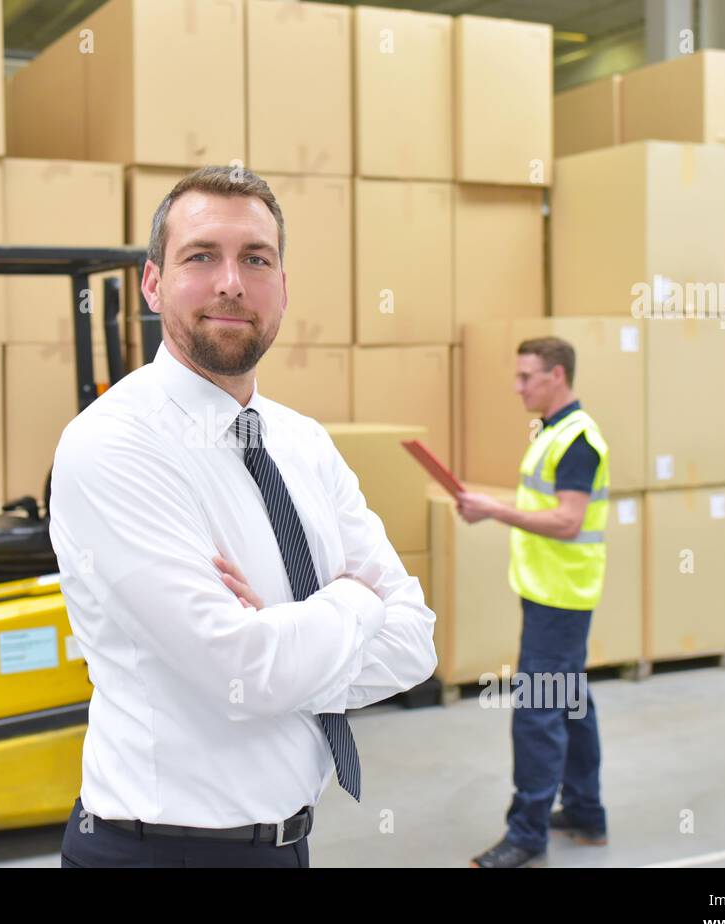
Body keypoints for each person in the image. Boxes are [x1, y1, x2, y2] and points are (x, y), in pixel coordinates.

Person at [49, 165, 437, 868]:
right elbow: (243, 673)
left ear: (282, 287)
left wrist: (283, 641)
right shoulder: (112, 445)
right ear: (153, 282)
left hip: (289, 844)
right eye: (201, 256)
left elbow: (415, 641)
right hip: (156, 853)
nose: (232, 281)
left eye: (256, 259)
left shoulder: (302, 442)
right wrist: (351, 600)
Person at [455, 337, 611, 868]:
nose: (518, 386)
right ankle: (587, 814)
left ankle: (525, 835)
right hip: (552, 591)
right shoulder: (553, 433)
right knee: (571, 701)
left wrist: (493, 511)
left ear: (558, 376)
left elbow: (568, 522)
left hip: (560, 597)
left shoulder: (577, 441)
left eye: (527, 377)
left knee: (537, 710)